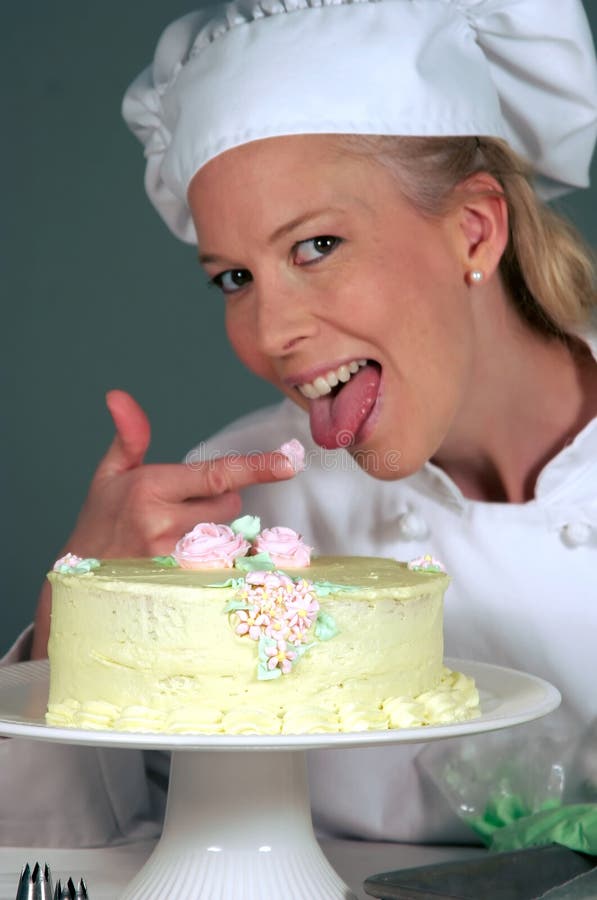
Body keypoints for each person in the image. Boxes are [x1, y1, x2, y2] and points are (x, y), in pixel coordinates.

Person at [1, 0, 597, 849]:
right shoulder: (232, 525)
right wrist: (76, 619)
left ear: (474, 229)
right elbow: (63, 851)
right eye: (234, 276)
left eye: (315, 246)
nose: (269, 332)